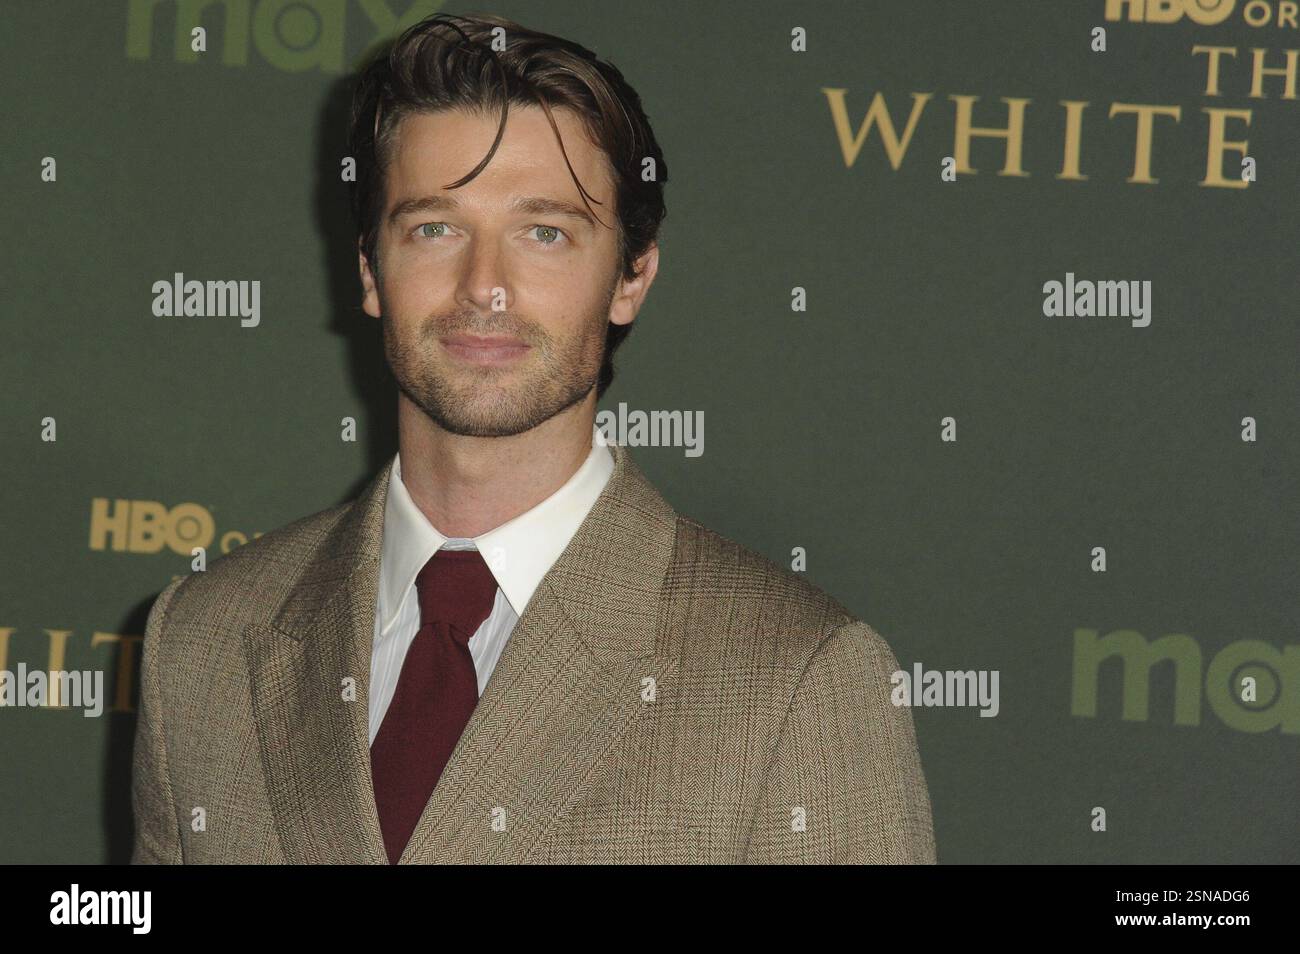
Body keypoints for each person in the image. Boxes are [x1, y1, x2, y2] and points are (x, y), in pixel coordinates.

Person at [130, 12, 935, 864]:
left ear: (632, 276)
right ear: (369, 270)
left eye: (545, 232)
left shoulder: (801, 681)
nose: (488, 288)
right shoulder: (203, 645)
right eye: (435, 227)